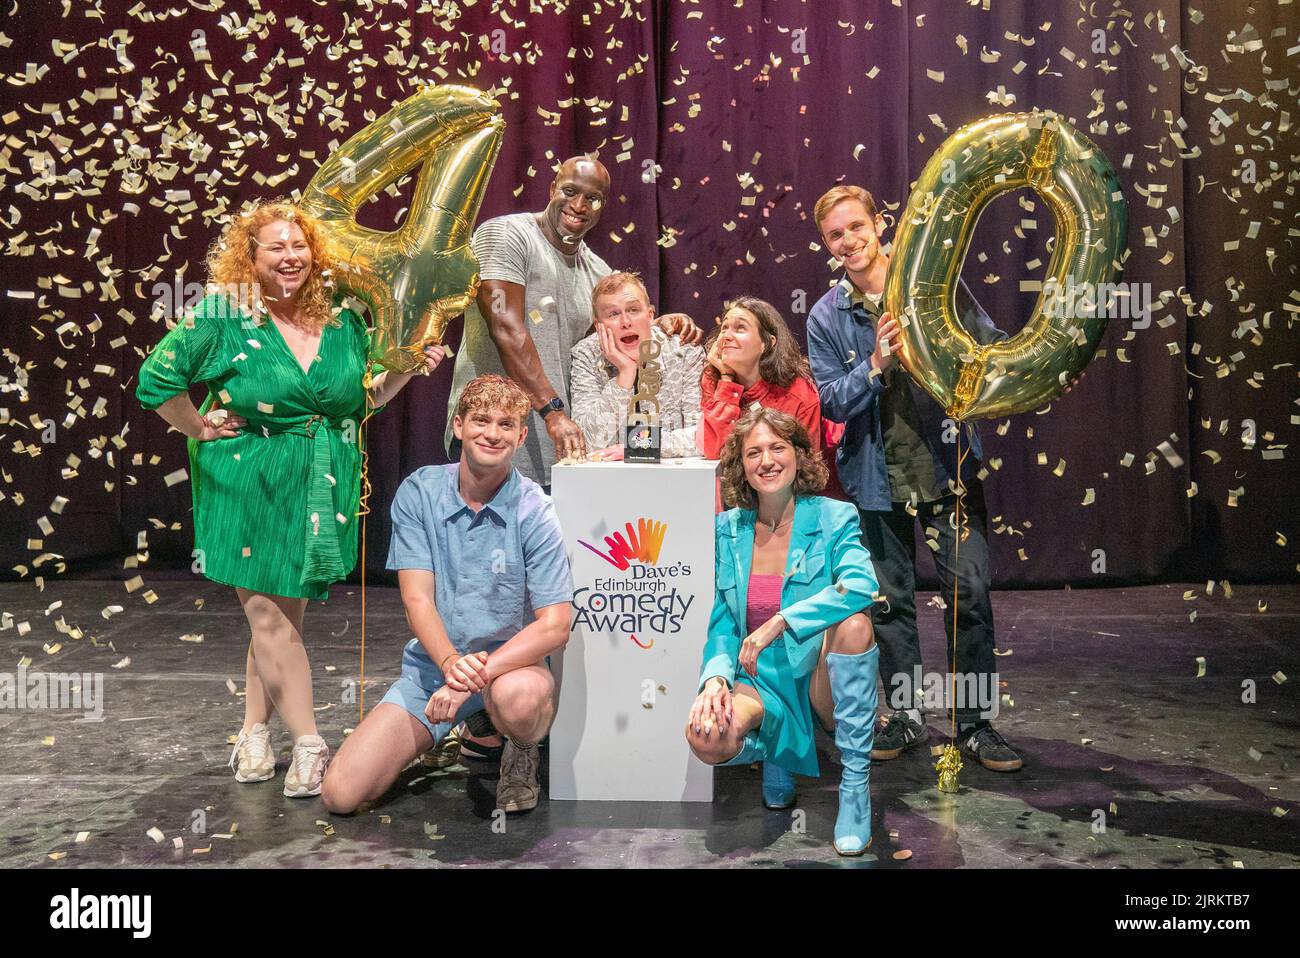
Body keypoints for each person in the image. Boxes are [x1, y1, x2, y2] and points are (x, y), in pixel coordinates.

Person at [136, 199, 443, 798]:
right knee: (269, 616)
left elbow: (363, 401)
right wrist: (197, 429)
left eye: (298, 246)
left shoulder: (342, 317)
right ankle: (308, 741)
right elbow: (157, 379)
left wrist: (408, 369)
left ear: (315, 254)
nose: (289, 257)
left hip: (318, 479)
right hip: (245, 477)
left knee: (283, 618)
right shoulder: (226, 313)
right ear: (249, 258)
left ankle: (253, 730)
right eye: (274, 247)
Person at [806, 184, 1022, 772]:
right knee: (889, 604)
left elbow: (990, 346)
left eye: (856, 227)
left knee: (970, 596)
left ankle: (976, 726)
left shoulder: (934, 286)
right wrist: (876, 367)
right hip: (876, 482)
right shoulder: (827, 315)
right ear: (827, 245)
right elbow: (830, 402)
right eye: (835, 235)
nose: (849, 241)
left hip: (946, 469)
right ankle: (904, 716)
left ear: (880, 224)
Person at [321, 374, 573, 815]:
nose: (492, 434)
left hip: (510, 669)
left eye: (505, 424)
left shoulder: (535, 508)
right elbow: (417, 599)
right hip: (437, 668)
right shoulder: (420, 491)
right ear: (458, 425)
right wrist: (453, 668)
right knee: (341, 795)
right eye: (480, 420)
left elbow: (556, 624)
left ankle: (519, 747)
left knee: (520, 700)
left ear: (522, 435)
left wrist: (475, 676)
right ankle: (463, 725)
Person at [685, 408, 881, 856]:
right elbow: (723, 618)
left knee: (855, 625)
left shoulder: (835, 516)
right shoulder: (727, 528)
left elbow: (861, 586)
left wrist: (782, 620)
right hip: (759, 679)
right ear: (741, 465)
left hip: (817, 673)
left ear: (798, 455)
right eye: (754, 452)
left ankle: (854, 786)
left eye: (777, 447)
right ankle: (776, 747)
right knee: (705, 735)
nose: (767, 460)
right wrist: (714, 677)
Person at [443, 155, 701, 489]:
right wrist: (552, 412)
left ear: (601, 206)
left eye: (592, 199)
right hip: (491, 433)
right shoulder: (506, 235)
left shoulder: (598, 272)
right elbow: (506, 328)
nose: (578, 205)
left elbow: (616, 338)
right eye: (569, 191)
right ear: (552, 188)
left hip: (560, 451)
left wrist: (663, 323)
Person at [569, 271, 704, 459]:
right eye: (613, 314)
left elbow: (704, 437)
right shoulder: (586, 354)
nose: (625, 322)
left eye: (633, 310)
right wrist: (624, 375)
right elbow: (586, 442)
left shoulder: (684, 351)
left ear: (650, 315)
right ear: (598, 325)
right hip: (608, 480)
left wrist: (636, 446)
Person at [697, 296, 822, 459]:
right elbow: (713, 450)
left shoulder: (798, 393)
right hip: (729, 483)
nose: (726, 336)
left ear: (767, 343)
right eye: (724, 327)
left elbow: (806, 467)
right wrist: (727, 381)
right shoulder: (714, 381)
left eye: (740, 328)